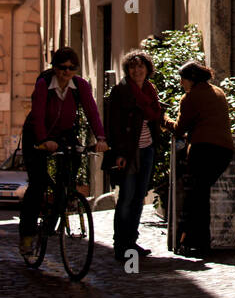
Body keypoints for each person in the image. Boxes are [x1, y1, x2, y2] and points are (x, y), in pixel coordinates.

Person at [19, 47, 108, 254]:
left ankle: (52, 221)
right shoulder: (43, 85)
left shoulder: (80, 86)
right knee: (38, 184)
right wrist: (43, 140)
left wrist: (101, 138)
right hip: (37, 134)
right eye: (62, 67)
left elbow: (92, 111)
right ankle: (27, 235)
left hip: (64, 133)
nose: (67, 72)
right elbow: (38, 115)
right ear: (55, 68)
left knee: (67, 179)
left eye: (71, 68)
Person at [165, 62, 234, 258]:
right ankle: (195, 241)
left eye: (183, 79)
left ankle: (199, 244)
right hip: (224, 151)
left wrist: (163, 120)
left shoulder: (190, 97)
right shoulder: (218, 92)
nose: (181, 83)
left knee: (197, 197)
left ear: (190, 79)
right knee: (200, 195)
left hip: (203, 151)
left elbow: (179, 128)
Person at [104, 49, 164, 262]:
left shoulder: (150, 90)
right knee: (127, 198)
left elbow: (154, 117)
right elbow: (114, 124)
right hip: (128, 152)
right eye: (132, 66)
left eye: (141, 66)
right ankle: (120, 244)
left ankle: (131, 241)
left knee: (139, 198)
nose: (137, 70)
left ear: (147, 68)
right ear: (127, 70)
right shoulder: (121, 91)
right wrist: (118, 153)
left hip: (147, 149)